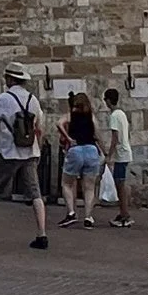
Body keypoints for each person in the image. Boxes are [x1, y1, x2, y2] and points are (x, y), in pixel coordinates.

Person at [0, 63, 47, 250]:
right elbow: (39, 124)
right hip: (30, 152)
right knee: (35, 193)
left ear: (9, 79)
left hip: (9, 152)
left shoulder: (4, 99)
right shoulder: (33, 99)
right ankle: (42, 234)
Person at [57, 92, 105, 227]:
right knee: (89, 187)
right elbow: (98, 135)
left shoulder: (70, 116)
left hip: (76, 150)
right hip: (91, 150)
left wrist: (68, 138)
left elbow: (59, 123)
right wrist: (104, 151)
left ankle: (71, 212)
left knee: (67, 183)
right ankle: (88, 217)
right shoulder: (91, 117)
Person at [103, 87, 134, 227]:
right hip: (125, 151)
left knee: (119, 184)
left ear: (109, 100)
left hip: (120, 154)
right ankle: (123, 213)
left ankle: (124, 214)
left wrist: (109, 155)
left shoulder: (114, 115)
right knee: (120, 183)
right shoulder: (122, 114)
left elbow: (115, 137)